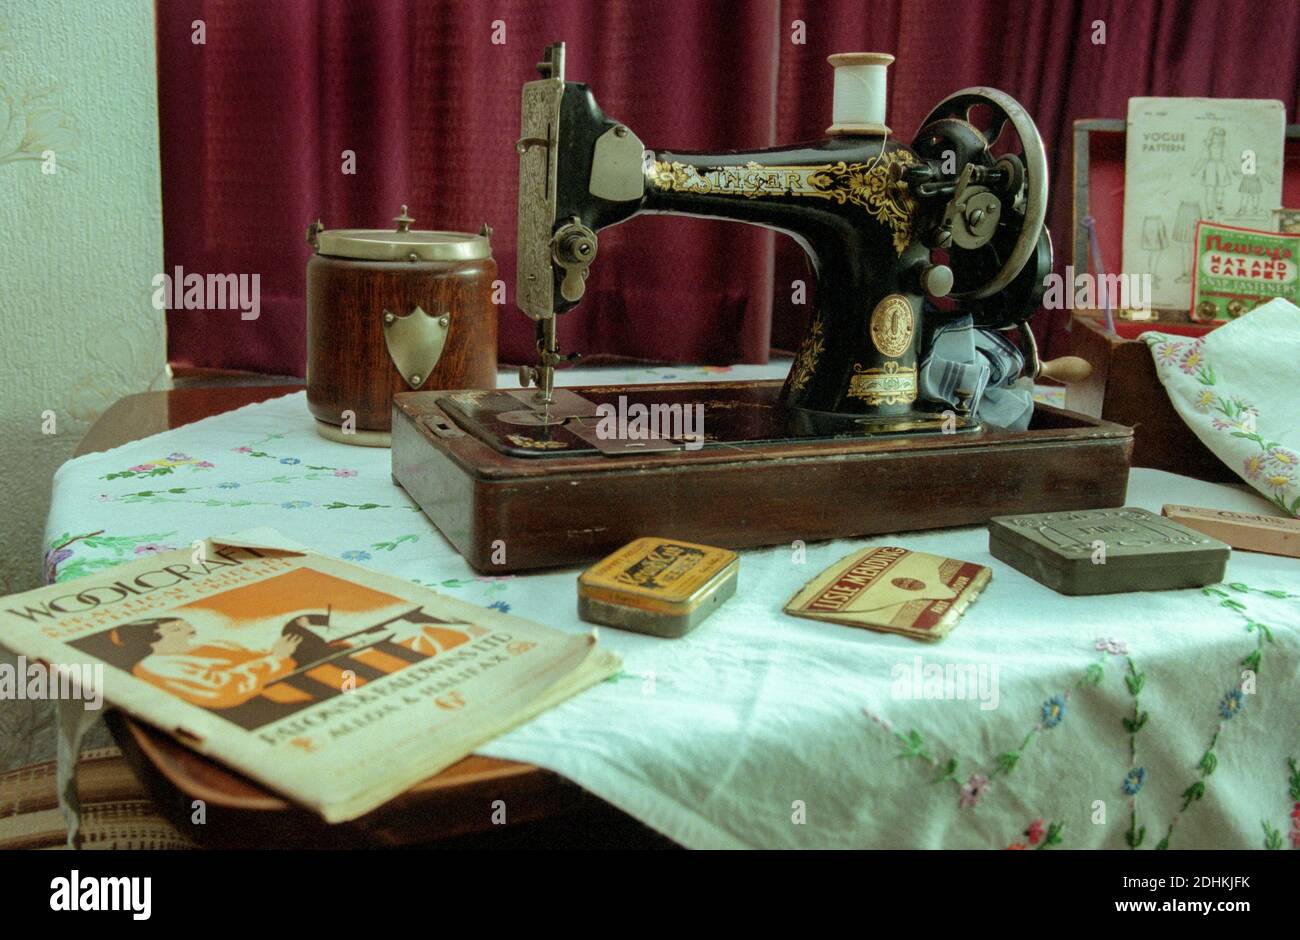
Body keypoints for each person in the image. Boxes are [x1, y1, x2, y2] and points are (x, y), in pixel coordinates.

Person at [100, 616, 302, 709]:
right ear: (151, 637)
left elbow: (252, 655)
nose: (187, 629)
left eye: (184, 626)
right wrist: (275, 658)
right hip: (267, 708)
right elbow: (221, 689)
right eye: (175, 629)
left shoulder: (214, 645)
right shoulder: (156, 666)